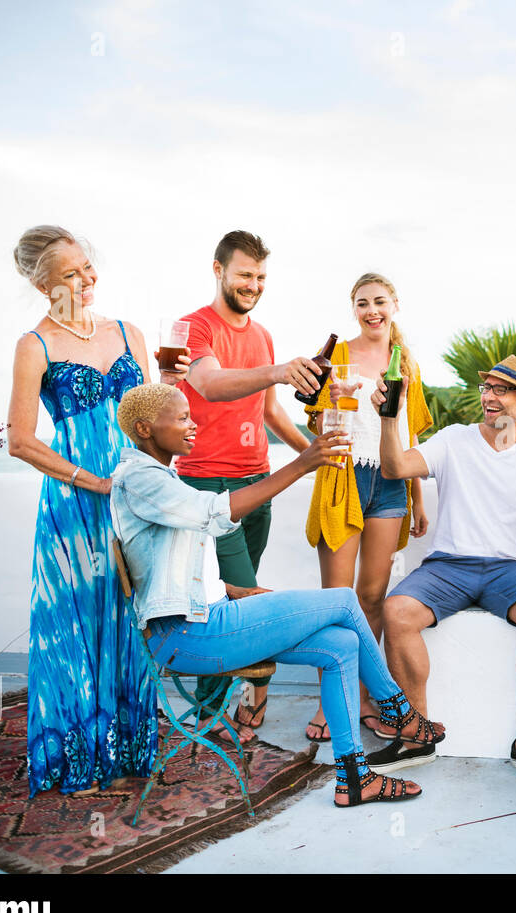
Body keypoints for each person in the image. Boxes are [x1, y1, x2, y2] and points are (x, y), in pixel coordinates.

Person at [110, 383, 445, 806]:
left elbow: (170, 564)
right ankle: (397, 710)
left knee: (341, 643)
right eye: (181, 418)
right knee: (343, 601)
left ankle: (355, 778)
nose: (193, 424)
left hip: (205, 622)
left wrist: (235, 589)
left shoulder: (160, 477)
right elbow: (216, 513)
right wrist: (303, 463)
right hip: (190, 635)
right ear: (144, 428)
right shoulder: (139, 479)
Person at [6, 225, 157, 796]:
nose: (87, 279)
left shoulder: (129, 333)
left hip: (133, 499)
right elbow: (20, 441)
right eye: (71, 273)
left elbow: (152, 413)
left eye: (87, 267)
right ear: (43, 284)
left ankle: (127, 752)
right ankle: (77, 762)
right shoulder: (35, 345)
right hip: (74, 501)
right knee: (76, 622)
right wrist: (93, 481)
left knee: (128, 616)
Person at [372, 356, 516, 786]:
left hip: (510, 570)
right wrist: (389, 417)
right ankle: (417, 734)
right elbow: (395, 468)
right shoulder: (454, 440)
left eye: (502, 390)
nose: (490, 397)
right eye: (487, 388)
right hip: (449, 567)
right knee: (396, 612)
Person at [174, 230, 325, 742]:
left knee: (237, 602)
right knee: (238, 595)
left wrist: (310, 451)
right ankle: (242, 702)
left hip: (257, 480)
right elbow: (211, 385)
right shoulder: (195, 328)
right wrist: (280, 371)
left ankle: (212, 710)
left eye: (261, 277)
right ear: (218, 270)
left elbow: (268, 409)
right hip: (206, 486)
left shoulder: (261, 336)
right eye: (244, 274)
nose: (253, 284)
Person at [301, 273, 431, 744]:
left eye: (379, 301)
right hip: (344, 473)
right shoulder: (335, 354)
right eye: (362, 303)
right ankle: (326, 700)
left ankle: (355, 692)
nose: (371, 310)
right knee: (336, 603)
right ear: (353, 309)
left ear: (395, 304)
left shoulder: (407, 362)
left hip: (392, 483)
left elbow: (411, 433)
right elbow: (315, 420)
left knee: (372, 596)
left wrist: (417, 495)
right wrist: (328, 403)